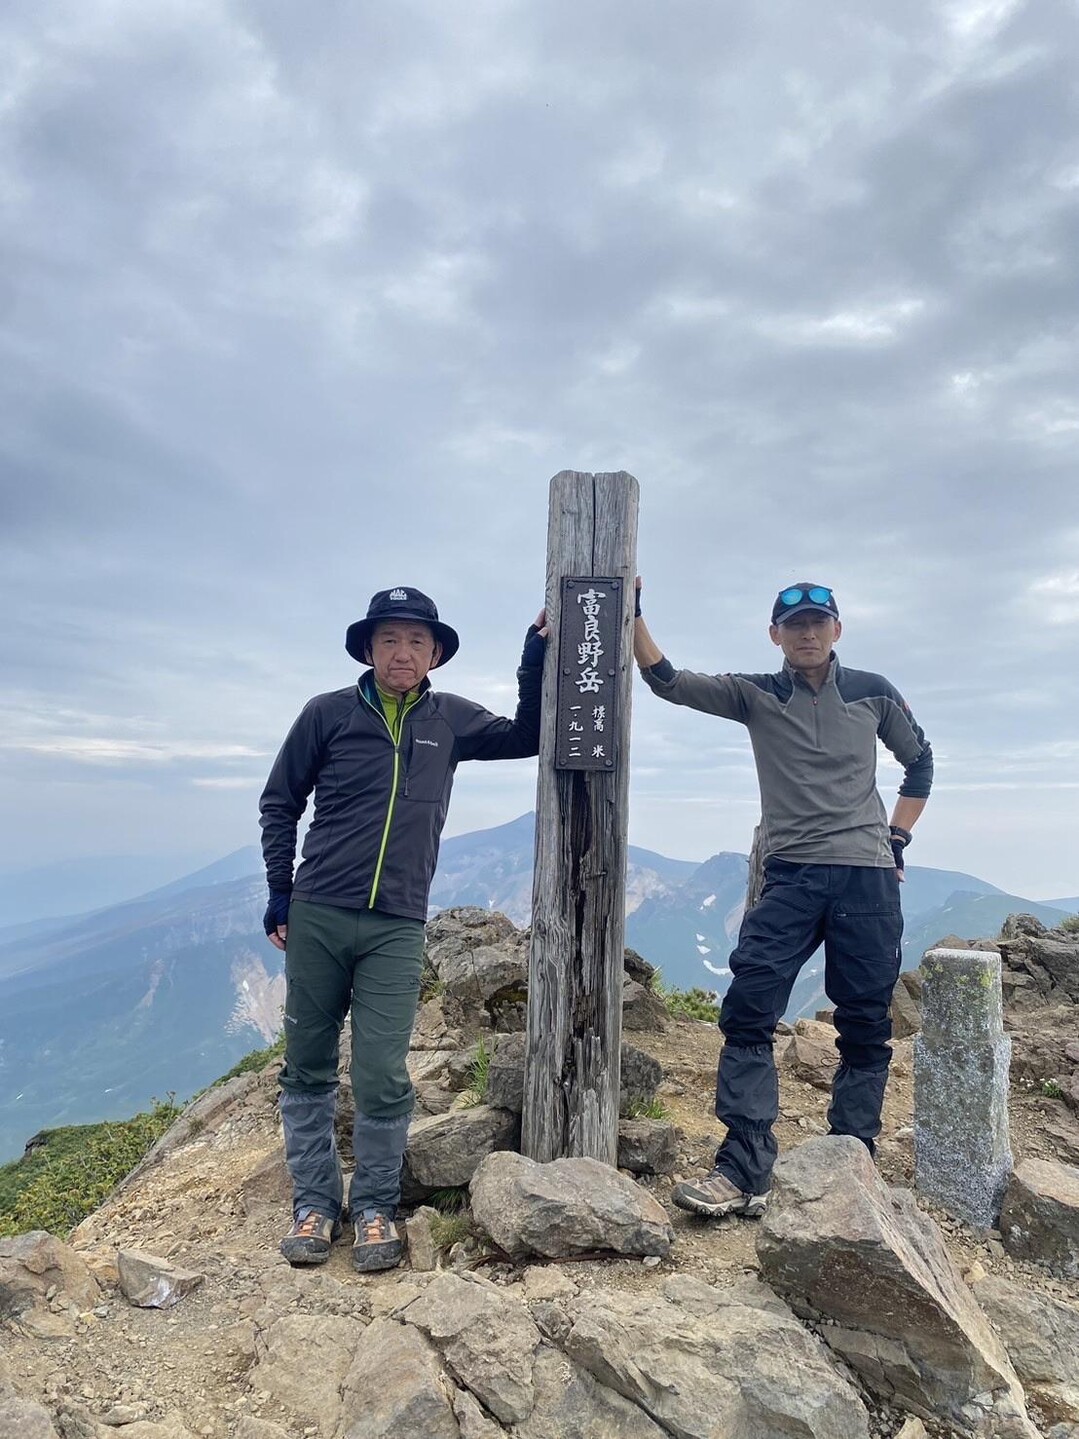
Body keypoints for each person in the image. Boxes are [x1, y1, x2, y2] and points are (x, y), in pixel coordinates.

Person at [259, 586, 546, 1271]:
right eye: (389, 638)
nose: (402, 652)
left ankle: (375, 1208)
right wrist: (280, 891)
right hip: (319, 912)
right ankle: (313, 1204)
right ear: (368, 648)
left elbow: (528, 736)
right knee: (307, 1061)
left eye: (417, 640)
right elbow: (280, 801)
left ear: (435, 654)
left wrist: (534, 654)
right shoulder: (326, 713)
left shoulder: (449, 719)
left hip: (396, 921)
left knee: (383, 1069)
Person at [633, 580, 932, 1218]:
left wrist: (898, 836)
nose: (807, 633)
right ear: (775, 636)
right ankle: (743, 1169)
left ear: (837, 630)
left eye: (818, 622)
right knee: (749, 1009)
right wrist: (632, 616)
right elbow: (668, 681)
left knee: (865, 1024)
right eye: (794, 625)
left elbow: (921, 763)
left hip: (868, 876)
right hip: (792, 874)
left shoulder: (874, 692)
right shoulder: (757, 694)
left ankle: (851, 1165)